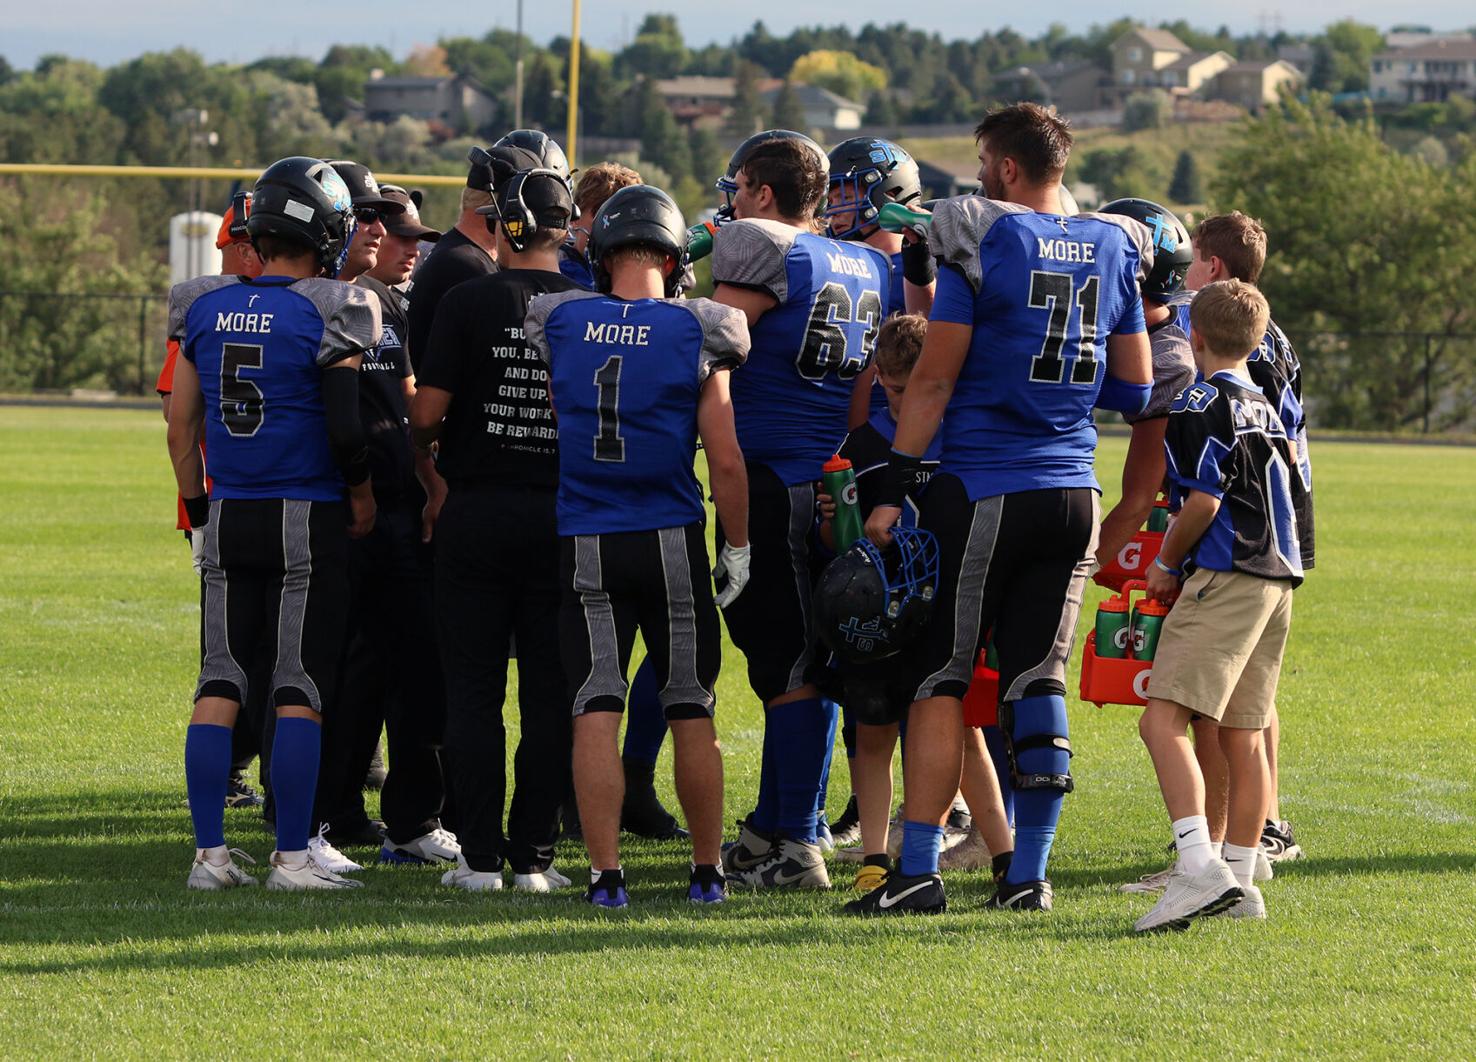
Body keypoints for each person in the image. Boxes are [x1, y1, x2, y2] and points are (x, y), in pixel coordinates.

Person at [855, 103, 1154, 915]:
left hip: (988, 481)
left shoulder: (983, 239)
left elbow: (934, 378)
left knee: (939, 677)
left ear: (1009, 169)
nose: (979, 178)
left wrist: (894, 486)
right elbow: (1134, 387)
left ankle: (915, 870)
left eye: (986, 163)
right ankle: (1029, 876)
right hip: (1074, 490)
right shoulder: (1113, 244)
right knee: (1037, 677)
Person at [526, 184, 752, 907]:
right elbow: (724, 459)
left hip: (587, 535)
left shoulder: (560, 319)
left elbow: (567, 413)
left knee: (595, 704)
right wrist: (738, 546)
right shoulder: (699, 328)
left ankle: (606, 877)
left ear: (602, 253)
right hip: (668, 536)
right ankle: (707, 873)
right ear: (673, 255)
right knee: (690, 703)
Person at [169, 156, 380, 891]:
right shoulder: (335, 306)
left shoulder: (203, 306)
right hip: (303, 512)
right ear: (325, 233)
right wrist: (361, 496)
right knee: (299, 685)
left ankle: (210, 856)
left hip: (228, 510)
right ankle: (292, 856)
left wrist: (197, 513)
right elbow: (348, 430)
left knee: (220, 677)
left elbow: (178, 427)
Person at [708, 130, 891, 891]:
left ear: (759, 188)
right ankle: (774, 825)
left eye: (740, 185)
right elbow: (862, 390)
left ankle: (796, 841)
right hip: (829, 479)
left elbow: (712, 346)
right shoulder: (870, 260)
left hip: (766, 476)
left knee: (787, 663)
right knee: (810, 655)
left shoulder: (759, 243)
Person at [409, 161, 582, 893]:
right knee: (551, 693)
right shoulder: (589, 301)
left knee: (474, 689)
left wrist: (442, 441)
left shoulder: (470, 300)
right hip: (565, 512)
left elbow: (423, 416)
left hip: (477, 510)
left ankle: (479, 859)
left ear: (506, 223)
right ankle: (534, 860)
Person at [1133, 279, 1302, 932]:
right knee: (1245, 732)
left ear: (1193, 337)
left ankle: (1198, 869)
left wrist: (1167, 564)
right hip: (1277, 578)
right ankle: (1239, 873)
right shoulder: (1266, 401)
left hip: (1228, 573)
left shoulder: (1199, 402)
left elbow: (1201, 502)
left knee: (1161, 722)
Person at [1172, 212, 1313, 866]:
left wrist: (1169, 551)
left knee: (1205, 708)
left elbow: (1214, 481)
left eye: (1193, 260)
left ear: (1216, 271)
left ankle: (1211, 856)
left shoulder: (1223, 364)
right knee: (1250, 711)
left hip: (1239, 538)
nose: (1185, 274)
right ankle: (1255, 840)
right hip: (1281, 533)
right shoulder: (1274, 337)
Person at [157, 195, 270, 813]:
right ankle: (229, 765)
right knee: (235, 654)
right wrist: (197, 508)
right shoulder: (217, 309)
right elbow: (176, 417)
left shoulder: (215, 310)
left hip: (229, 499)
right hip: (224, 502)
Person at [560, 162, 642, 290]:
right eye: (600, 214)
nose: (608, 227)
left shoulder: (638, 277)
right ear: (575, 217)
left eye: (621, 219)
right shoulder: (558, 272)